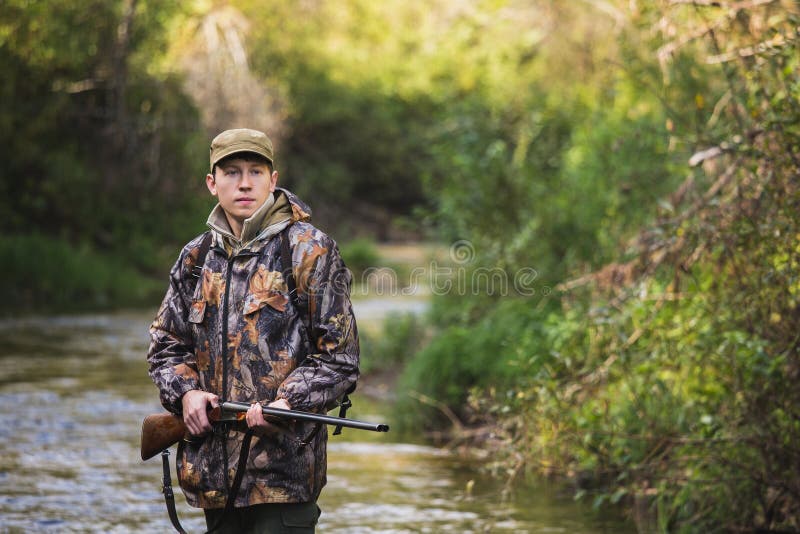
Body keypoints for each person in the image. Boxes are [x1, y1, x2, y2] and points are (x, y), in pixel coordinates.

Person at [147, 128, 359, 533]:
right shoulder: (195, 257)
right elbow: (165, 347)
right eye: (231, 172)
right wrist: (187, 394)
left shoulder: (309, 250)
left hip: (284, 477)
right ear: (212, 183)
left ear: (272, 180)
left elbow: (340, 358)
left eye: (255, 172)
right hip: (213, 479)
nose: (244, 183)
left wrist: (288, 402)